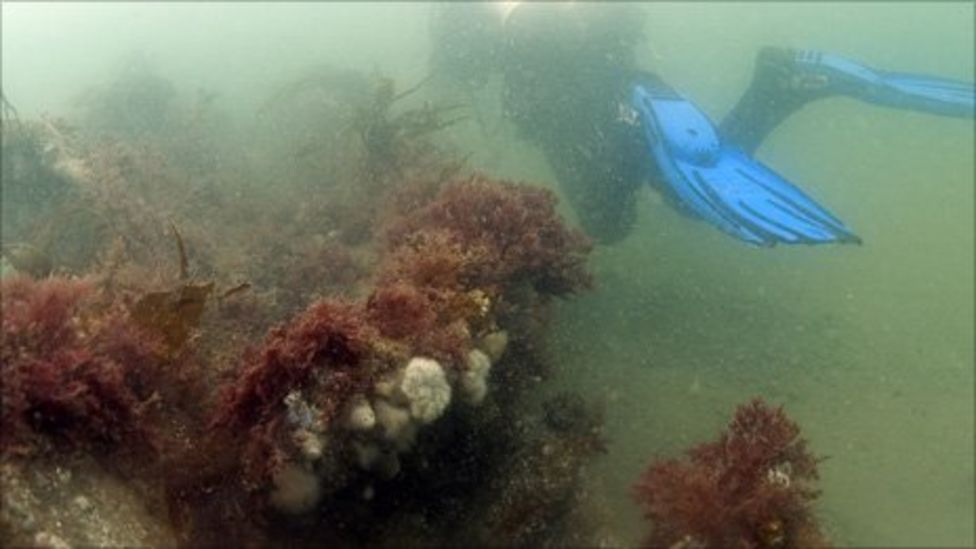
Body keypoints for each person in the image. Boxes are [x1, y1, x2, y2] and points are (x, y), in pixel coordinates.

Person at [429, 3, 975, 247]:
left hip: (557, 70)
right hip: (607, 52)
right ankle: (770, 85)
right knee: (679, 175)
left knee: (609, 227)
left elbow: (461, 60)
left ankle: (642, 114)